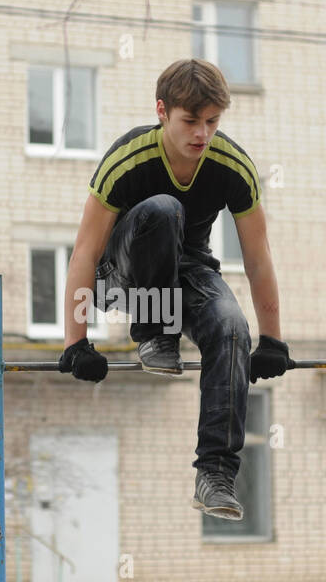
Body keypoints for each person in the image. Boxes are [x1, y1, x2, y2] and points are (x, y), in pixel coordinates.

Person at [58, 59, 291, 520]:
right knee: (163, 210)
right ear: (162, 111)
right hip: (121, 276)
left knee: (230, 326)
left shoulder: (232, 166)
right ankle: (153, 333)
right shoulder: (129, 157)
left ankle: (215, 475)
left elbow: (258, 257)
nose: (202, 134)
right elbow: (85, 251)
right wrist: (76, 342)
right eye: (191, 121)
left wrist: (272, 338)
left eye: (212, 122)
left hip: (188, 270)